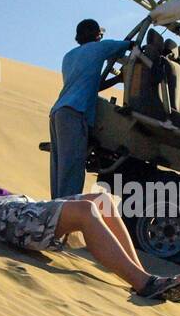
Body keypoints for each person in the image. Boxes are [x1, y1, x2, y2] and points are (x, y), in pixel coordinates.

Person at [0, 90, 180, 301]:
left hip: (12, 205)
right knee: (85, 212)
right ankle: (145, 284)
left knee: (102, 201)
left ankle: (140, 275)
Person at [48, 18, 131, 198]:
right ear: (97, 34)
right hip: (74, 112)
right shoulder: (100, 47)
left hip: (58, 111)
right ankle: (67, 212)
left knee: (59, 167)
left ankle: (55, 210)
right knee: (72, 167)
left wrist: (117, 79)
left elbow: (88, 85)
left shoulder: (68, 57)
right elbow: (130, 44)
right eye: (100, 34)